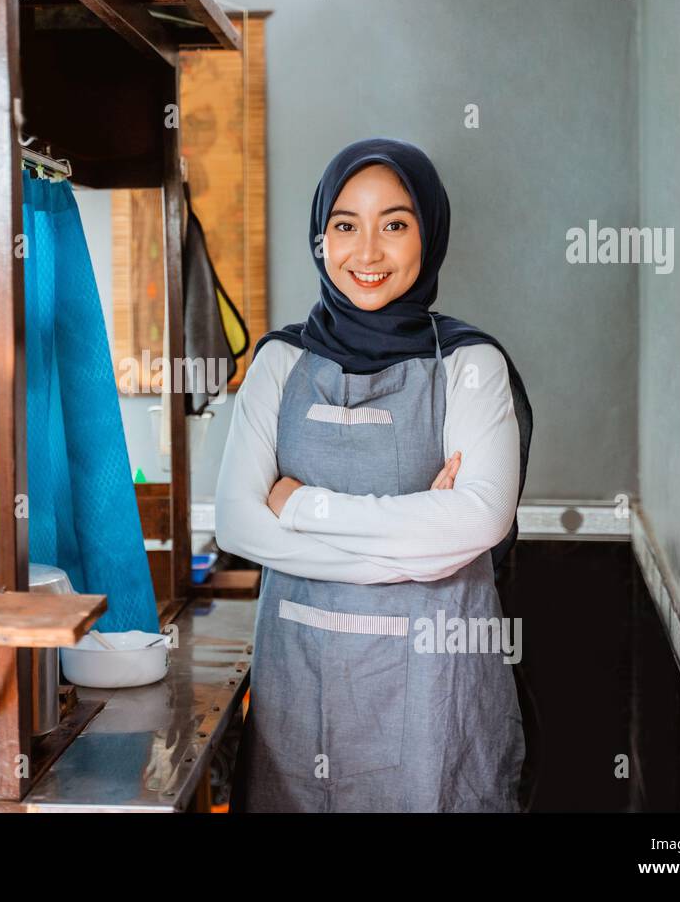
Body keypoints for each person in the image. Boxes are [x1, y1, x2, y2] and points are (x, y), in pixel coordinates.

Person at [215, 138, 533, 812]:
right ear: (320, 238)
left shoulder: (470, 365)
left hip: (436, 693)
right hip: (299, 694)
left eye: (394, 223)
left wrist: (299, 506)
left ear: (430, 234)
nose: (367, 253)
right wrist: (414, 551)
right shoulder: (278, 361)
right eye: (344, 225)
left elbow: (479, 519)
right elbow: (239, 523)